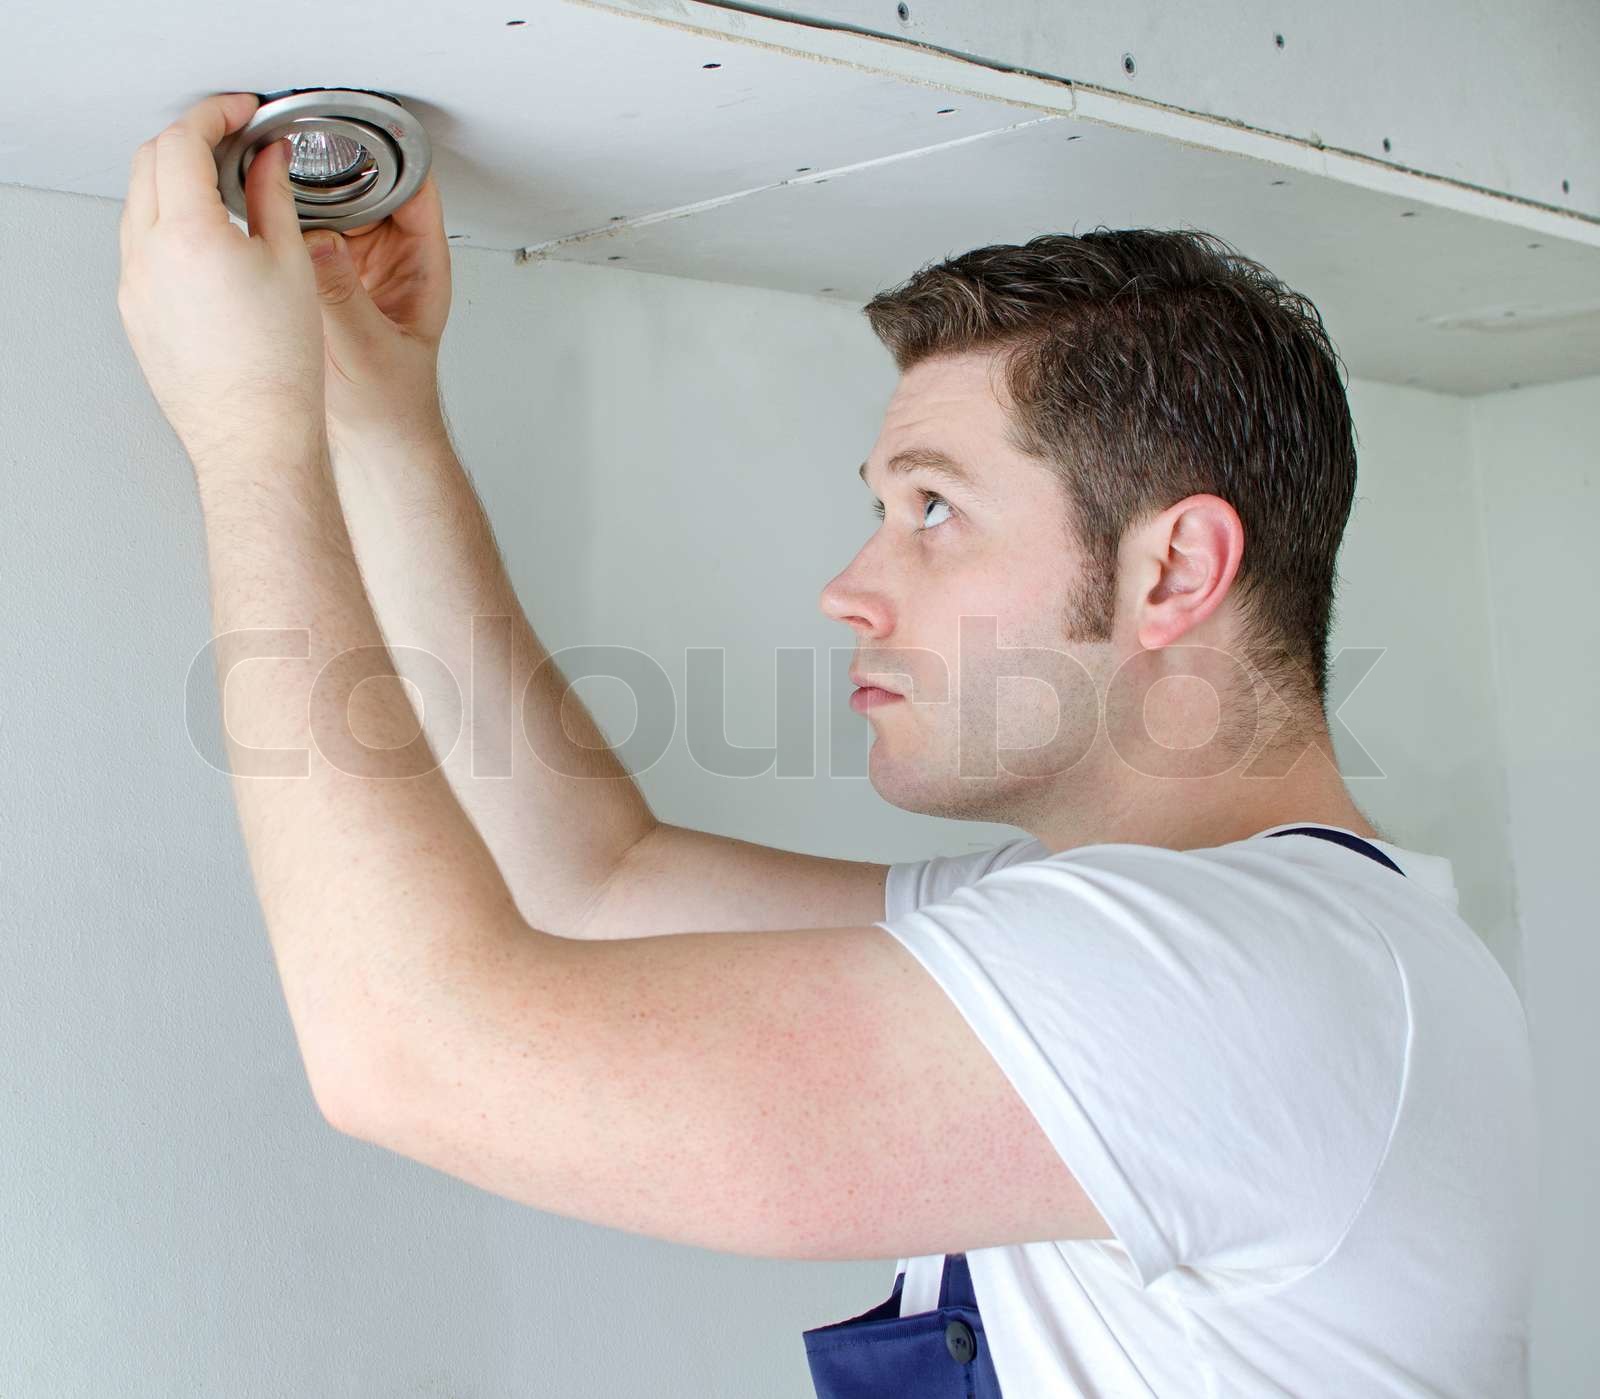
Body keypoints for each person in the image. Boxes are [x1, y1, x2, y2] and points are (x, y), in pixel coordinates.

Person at [119, 93, 1536, 1397]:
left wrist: (248, 437)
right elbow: (591, 883)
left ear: (1173, 574)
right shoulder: (1215, 942)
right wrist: (377, 416)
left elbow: (411, 1052)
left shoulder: (1236, 986)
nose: (850, 586)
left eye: (931, 510)